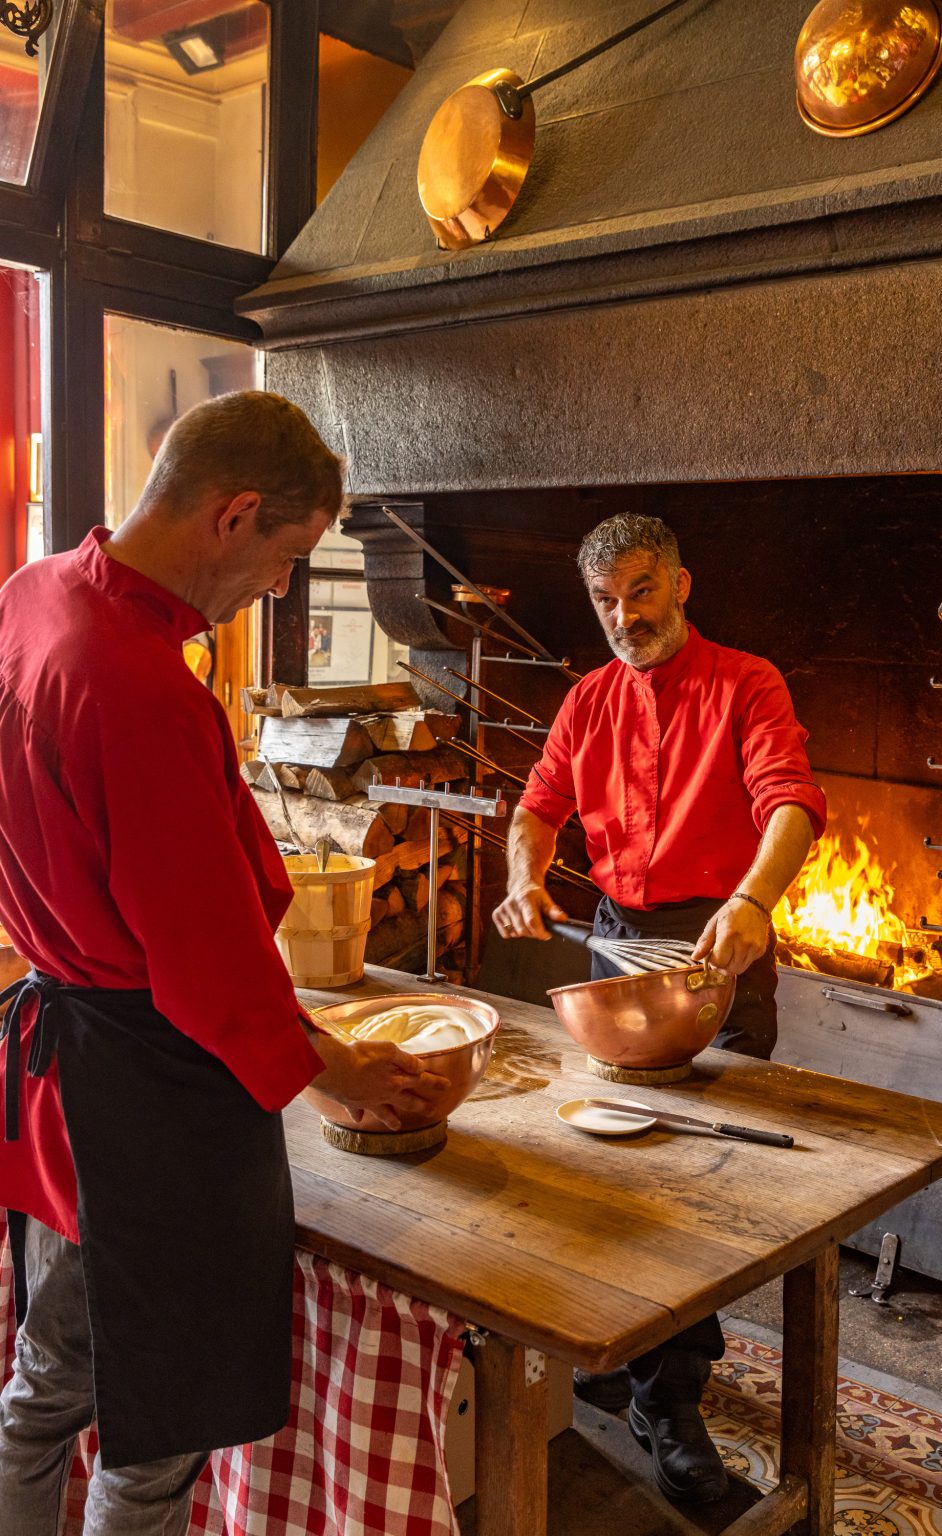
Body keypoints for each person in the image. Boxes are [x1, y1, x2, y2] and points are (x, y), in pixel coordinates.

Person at [0, 391, 449, 1536]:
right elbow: (204, 971)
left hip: (65, 1078)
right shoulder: (136, 684)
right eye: (288, 557)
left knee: (46, 1384)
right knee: (158, 1432)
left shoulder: (33, 593)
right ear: (235, 513)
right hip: (154, 1105)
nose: (280, 587)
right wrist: (341, 1071)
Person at [493, 513, 826, 1509]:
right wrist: (521, 877)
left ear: (681, 586)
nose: (622, 617)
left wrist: (751, 904)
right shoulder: (587, 699)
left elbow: (792, 803)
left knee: (700, 1191)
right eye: (605, 600)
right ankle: (628, 1362)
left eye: (640, 592)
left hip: (717, 939)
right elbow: (535, 806)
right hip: (617, 937)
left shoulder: (746, 682)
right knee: (617, 1169)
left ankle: (668, 1404)